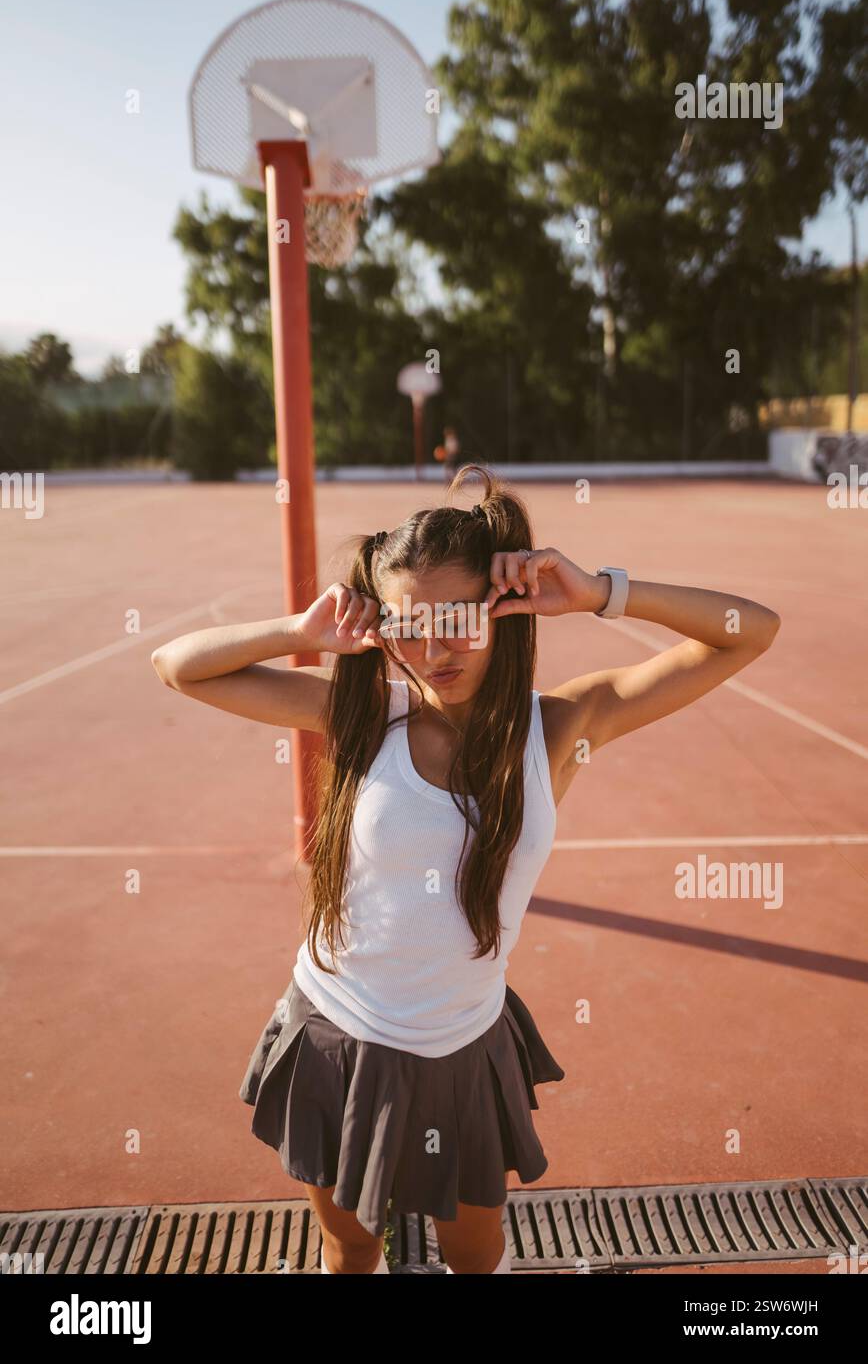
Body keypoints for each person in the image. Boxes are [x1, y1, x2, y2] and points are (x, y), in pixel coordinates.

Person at [150, 462, 781, 1274]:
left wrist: (598, 591)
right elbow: (176, 665)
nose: (433, 648)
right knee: (348, 1243)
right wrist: (302, 634)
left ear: (501, 607)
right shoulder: (363, 714)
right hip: (340, 1031)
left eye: (457, 618)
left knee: (476, 1255)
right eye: (408, 625)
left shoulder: (556, 730)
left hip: (463, 1039)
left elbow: (750, 630)